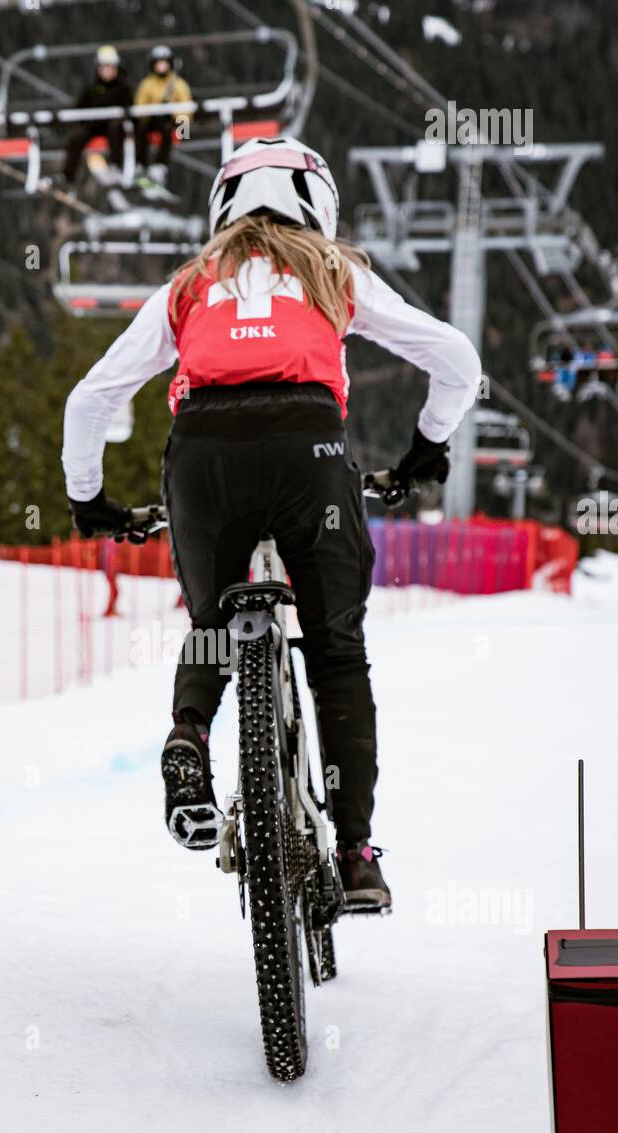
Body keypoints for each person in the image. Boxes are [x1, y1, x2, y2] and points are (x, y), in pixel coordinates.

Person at [61, 135, 481, 909]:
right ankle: (355, 854)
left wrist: (90, 501)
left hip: (202, 457)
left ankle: (189, 733)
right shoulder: (331, 271)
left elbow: (90, 399)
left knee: (211, 623)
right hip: (307, 447)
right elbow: (455, 356)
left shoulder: (188, 285)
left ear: (221, 205)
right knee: (334, 650)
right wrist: (425, 449)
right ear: (318, 204)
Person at [61, 45, 133, 185]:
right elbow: (78, 109)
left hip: (178, 123)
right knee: (78, 136)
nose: (106, 70)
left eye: (109, 66)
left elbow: (131, 108)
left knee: (116, 127)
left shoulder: (124, 87)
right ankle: (67, 176)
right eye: (103, 67)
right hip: (94, 126)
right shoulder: (92, 89)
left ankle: (118, 167)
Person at [133, 44, 192, 183]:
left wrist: (171, 111)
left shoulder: (178, 85)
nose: (161, 67)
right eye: (158, 63)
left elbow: (187, 112)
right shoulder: (147, 84)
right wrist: (154, 110)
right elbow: (139, 107)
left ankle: (160, 166)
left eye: (164, 63)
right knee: (141, 130)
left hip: (174, 124)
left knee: (166, 128)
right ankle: (141, 164)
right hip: (152, 122)